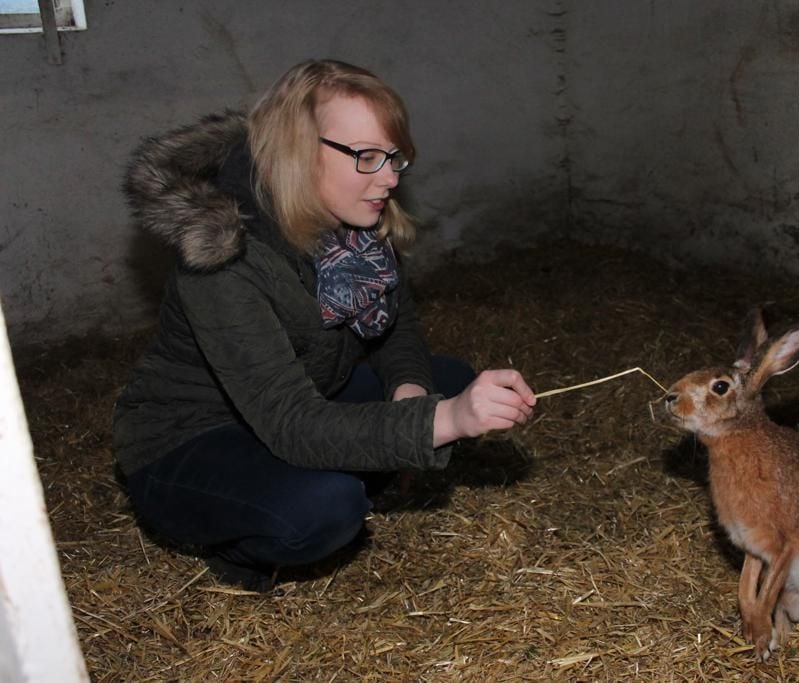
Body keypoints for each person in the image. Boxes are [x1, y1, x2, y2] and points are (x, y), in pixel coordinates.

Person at [114, 59, 536, 591]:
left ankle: (362, 466)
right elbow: (295, 424)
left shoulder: (356, 224)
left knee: (448, 379)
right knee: (324, 508)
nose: (388, 177)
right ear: (299, 152)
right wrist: (445, 421)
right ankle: (242, 549)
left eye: (393, 157)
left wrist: (412, 391)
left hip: (308, 389)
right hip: (190, 439)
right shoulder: (225, 260)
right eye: (366, 157)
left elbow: (396, 325)